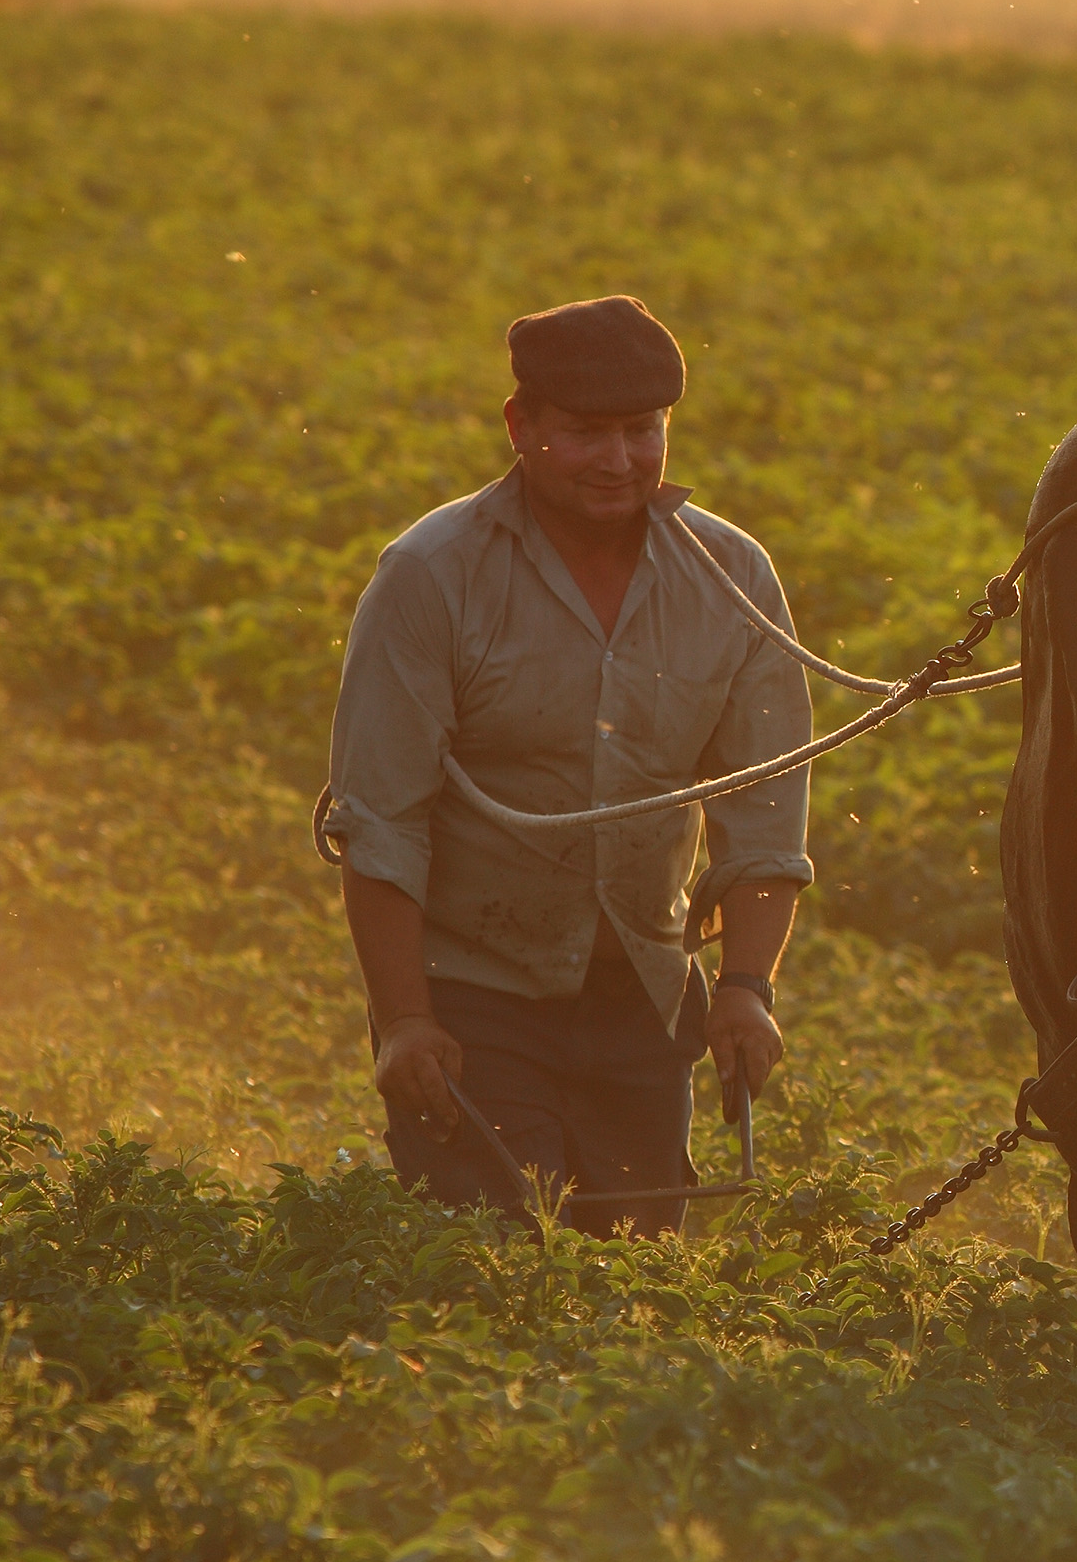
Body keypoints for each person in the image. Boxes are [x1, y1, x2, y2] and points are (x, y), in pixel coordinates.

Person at [323, 295, 813, 1231]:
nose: (618, 460)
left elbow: (764, 807)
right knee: (499, 1258)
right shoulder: (431, 576)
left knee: (633, 1265)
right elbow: (380, 819)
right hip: (476, 999)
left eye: (642, 430)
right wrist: (406, 1020)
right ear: (521, 426)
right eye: (586, 433)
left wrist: (746, 989)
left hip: (643, 999)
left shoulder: (732, 578)